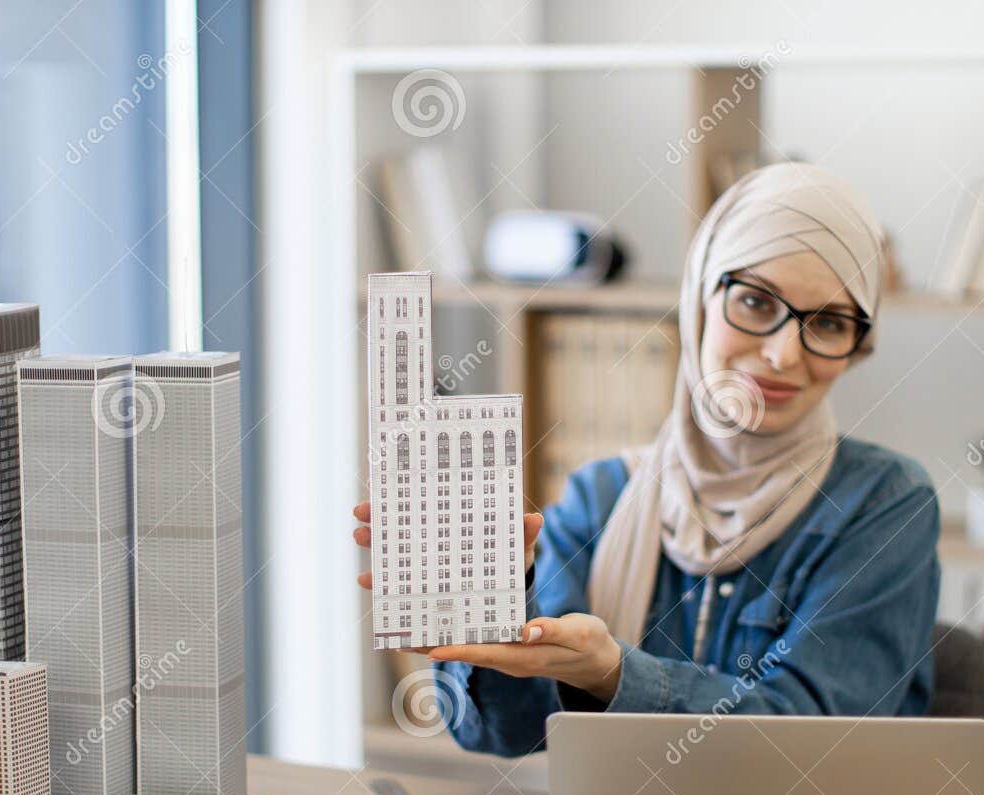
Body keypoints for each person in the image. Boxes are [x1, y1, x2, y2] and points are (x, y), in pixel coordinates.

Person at [354, 162, 940, 758]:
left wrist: (613, 674)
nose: (784, 354)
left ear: (857, 344)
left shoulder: (885, 503)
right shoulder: (601, 496)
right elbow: (510, 733)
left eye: (830, 322)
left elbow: (810, 740)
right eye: (758, 302)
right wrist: (489, 598)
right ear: (700, 302)